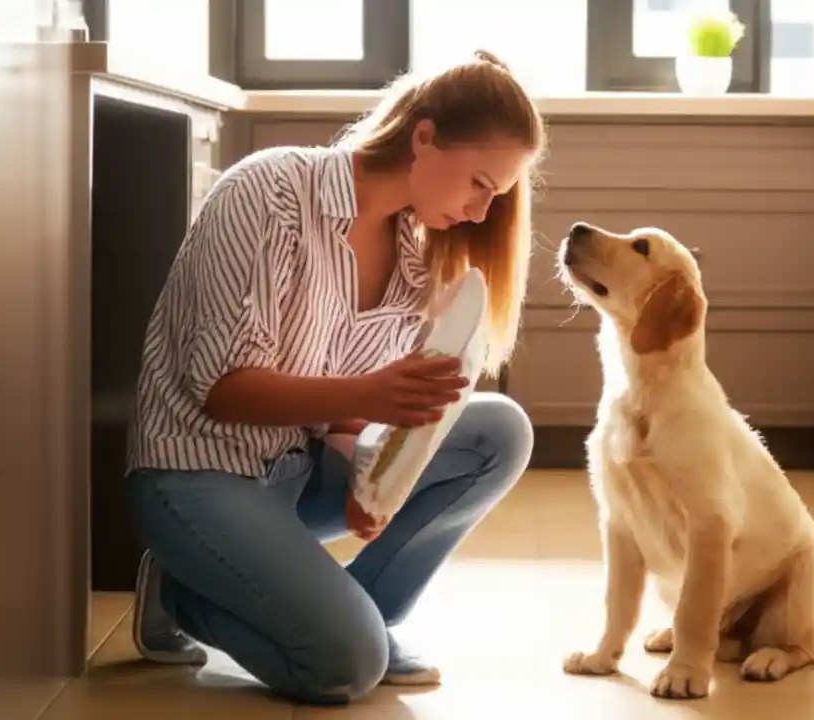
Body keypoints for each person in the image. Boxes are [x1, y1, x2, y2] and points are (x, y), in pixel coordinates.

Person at [123, 50, 545, 705]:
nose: (481, 212)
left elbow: (345, 408)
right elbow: (222, 388)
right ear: (425, 137)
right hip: (195, 476)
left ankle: (362, 613)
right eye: (480, 184)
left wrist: (365, 476)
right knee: (343, 667)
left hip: (289, 477)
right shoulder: (270, 191)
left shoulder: (414, 261)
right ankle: (184, 591)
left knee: (499, 432)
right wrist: (369, 396)